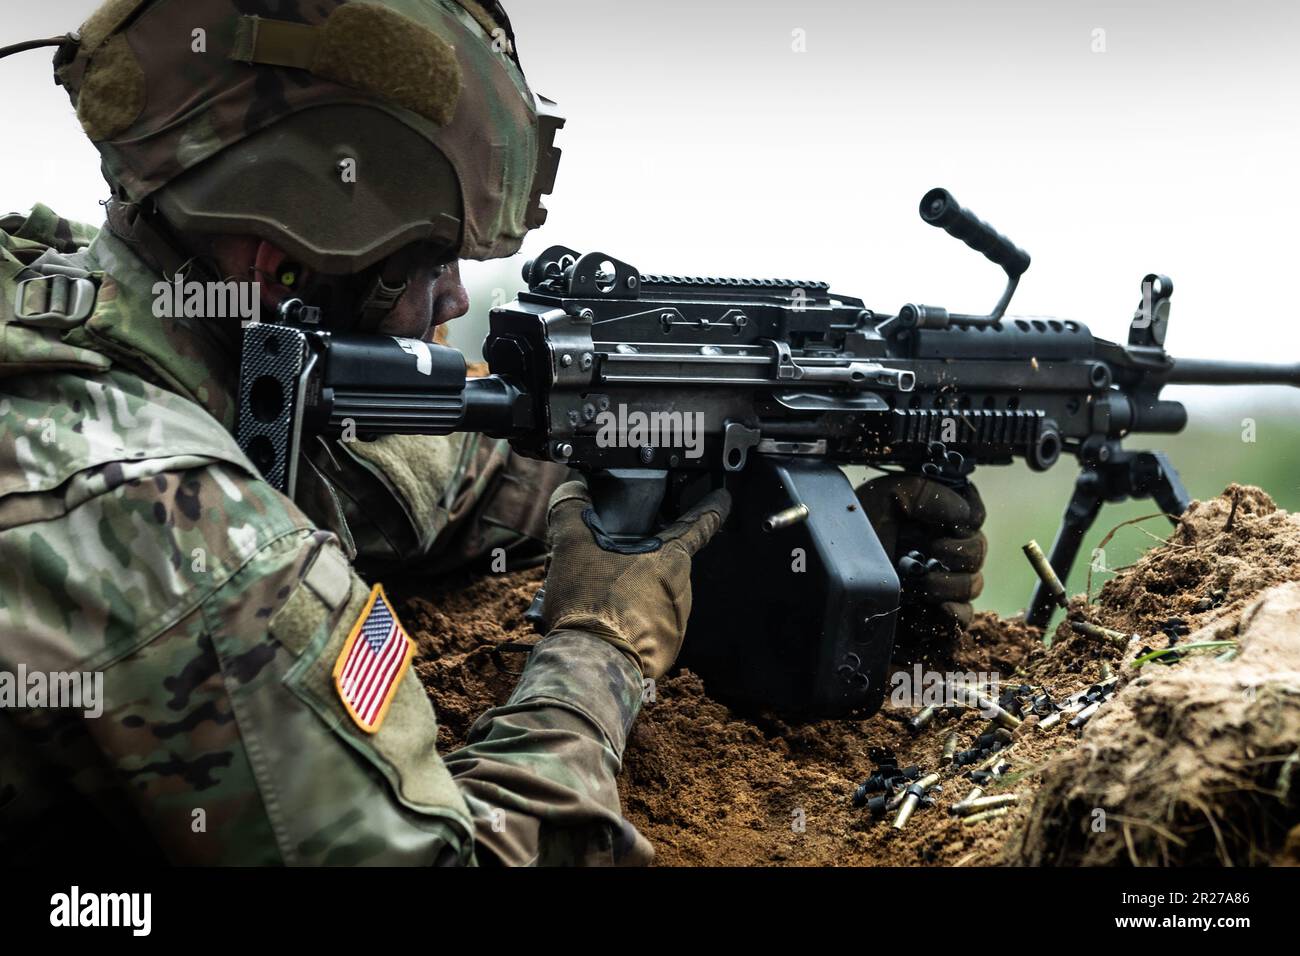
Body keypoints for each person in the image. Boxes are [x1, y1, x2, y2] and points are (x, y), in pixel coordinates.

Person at [0, 0, 984, 866]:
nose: (457, 296)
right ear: (282, 266)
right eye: (427, 258)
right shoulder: (184, 533)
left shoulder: (73, 310)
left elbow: (450, 478)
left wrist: (762, 515)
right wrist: (599, 646)